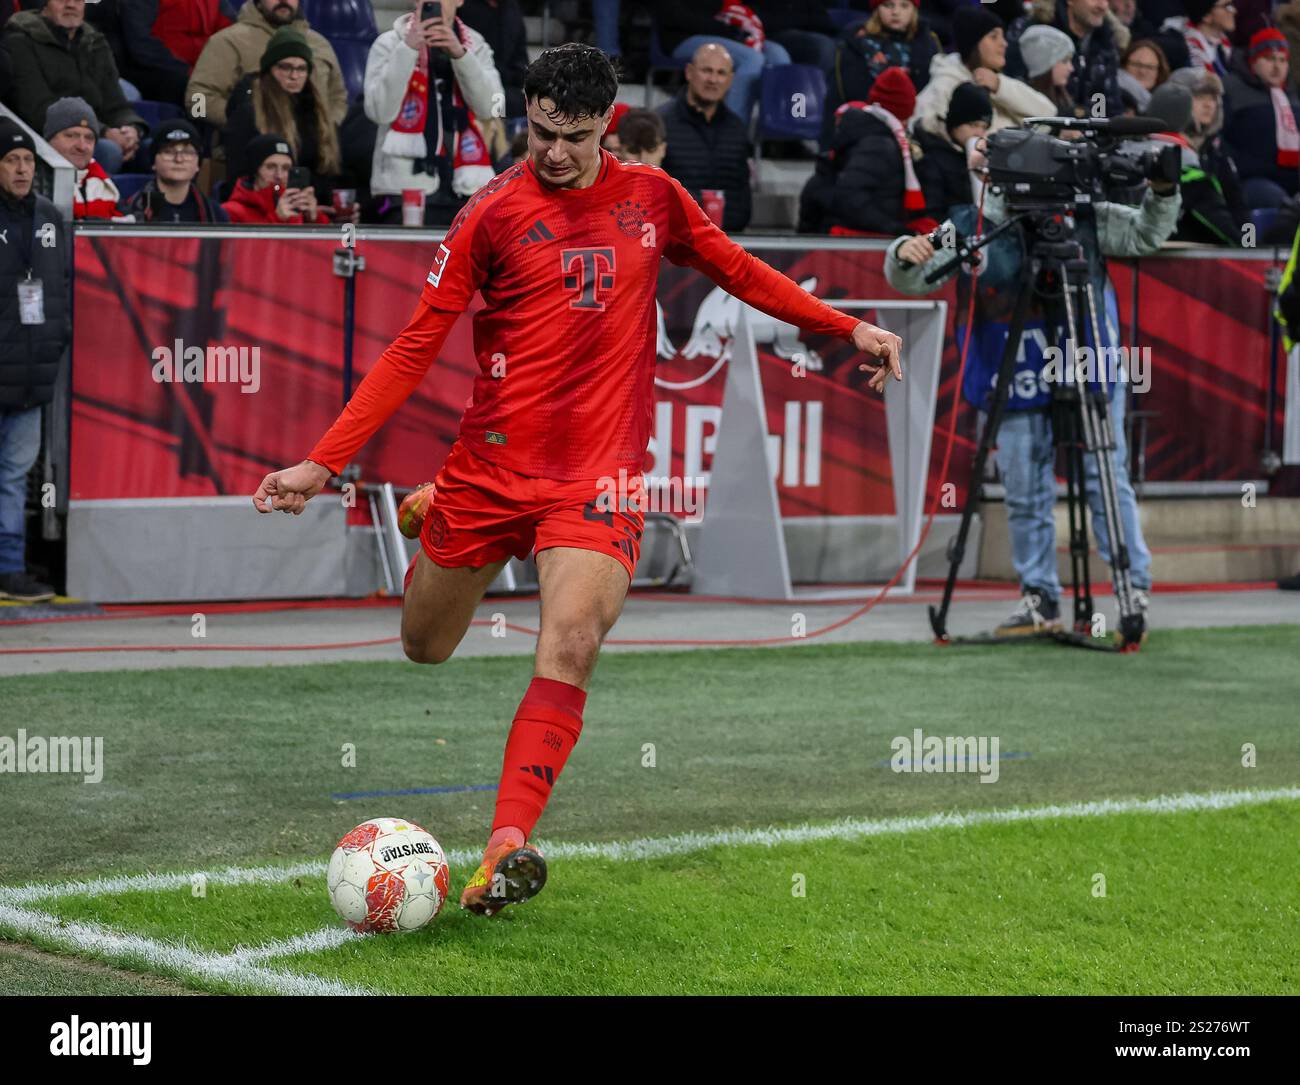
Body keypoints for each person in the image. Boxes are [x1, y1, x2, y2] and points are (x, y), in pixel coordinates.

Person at [252, 44, 903, 915]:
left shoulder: (652, 198)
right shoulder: (489, 213)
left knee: (572, 644)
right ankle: (434, 507)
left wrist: (843, 325)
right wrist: (323, 461)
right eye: (541, 130)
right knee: (424, 645)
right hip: (488, 469)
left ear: (608, 127)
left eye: (575, 136)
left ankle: (504, 847)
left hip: (601, 477)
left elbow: (738, 269)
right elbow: (414, 347)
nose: (553, 151)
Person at [884, 127, 1179, 635]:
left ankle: (1133, 589)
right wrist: (902, 251)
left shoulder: (1082, 215)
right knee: (1024, 487)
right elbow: (911, 278)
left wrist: (1164, 191)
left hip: (1085, 361)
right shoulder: (969, 224)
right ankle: (1039, 596)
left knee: (1104, 479)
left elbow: (1146, 235)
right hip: (1014, 371)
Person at [0, 118, 70, 604]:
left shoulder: (49, 216)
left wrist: (55, 341)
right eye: (11, 161)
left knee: (13, 478)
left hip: (30, 376)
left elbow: (61, 291)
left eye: (28, 161)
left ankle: (9, 569)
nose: (22, 169)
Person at [364, 0, 504, 227]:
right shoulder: (389, 44)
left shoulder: (475, 46)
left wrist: (461, 55)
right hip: (404, 190)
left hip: (465, 187)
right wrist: (408, 49)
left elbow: (492, 109)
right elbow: (379, 111)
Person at [3, 0, 146, 174]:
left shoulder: (95, 41)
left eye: (78, 0)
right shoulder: (19, 40)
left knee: (151, 148)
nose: (71, 5)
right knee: (108, 151)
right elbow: (37, 107)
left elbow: (115, 103)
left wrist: (130, 128)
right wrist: (102, 131)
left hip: (96, 132)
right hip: (49, 134)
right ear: (45, 4)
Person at [798, 67, 933, 235]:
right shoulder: (879, 145)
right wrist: (895, 230)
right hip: (859, 241)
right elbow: (850, 197)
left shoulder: (865, 131)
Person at [187, 0, 346, 130]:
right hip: (248, 156)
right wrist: (243, 122)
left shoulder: (320, 44)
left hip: (318, 157)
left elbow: (338, 97)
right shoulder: (227, 42)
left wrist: (328, 128)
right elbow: (195, 100)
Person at [913, 8, 1055, 141]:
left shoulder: (998, 82)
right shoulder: (946, 82)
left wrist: (1000, 87)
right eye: (994, 37)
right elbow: (921, 124)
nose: (1004, 43)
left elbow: (1049, 115)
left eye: (1002, 36)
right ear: (973, 44)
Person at [223, 28, 341, 186]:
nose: (294, 76)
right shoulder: (249, 111)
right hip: (264, 202)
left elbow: (325, 170)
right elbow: (198, 94)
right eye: (285, 67)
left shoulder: (315, 110)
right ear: (269, 69)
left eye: (301, 69)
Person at [658, 43, 754, 232]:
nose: (713, 80)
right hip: (675, 242)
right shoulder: (661, 122)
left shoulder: (737, 128)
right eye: (707, 71)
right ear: (689, 72)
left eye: (721, 73)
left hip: (728, 242)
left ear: (730, 80)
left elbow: (741, 189)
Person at [822, 0, 942, 146]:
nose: (896, 12)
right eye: (888, 5)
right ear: (876, 9)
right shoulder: (855, 42)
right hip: (866, 125)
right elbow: (843, 95)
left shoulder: (929, 42)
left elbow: (935, 92)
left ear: (914, 10)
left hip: (916, 127)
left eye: (904, 6)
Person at [654, 0, 794, 123]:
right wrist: (730, 31)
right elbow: (674, 15)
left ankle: (776, 133)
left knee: (778, 55)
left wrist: (747, 25)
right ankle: (732, 131)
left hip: (729, 33)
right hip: (684, 36)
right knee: (751, 59)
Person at [85, 0, 234, 105]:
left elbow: (231, 33)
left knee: (244, 85)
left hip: (204, 68)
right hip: (158, 69)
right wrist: (188, 71)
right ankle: (195, 137)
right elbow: (142, 45)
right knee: (194, 92)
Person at [1007, 0, 1126, 121]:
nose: (1103, 6)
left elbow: (1108, 103)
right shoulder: (1033, 33)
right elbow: (1016, 89)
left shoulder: (1106, 41)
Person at [1166, 67, 1248, 242]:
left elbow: (1239, 208)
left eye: (1213, 98)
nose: (1209, 104)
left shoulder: (1217, 151)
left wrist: (1250, 248)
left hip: (1217, 248)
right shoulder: (1164, 145)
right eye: (1199, 97)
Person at [1223, 28, 1300, 209]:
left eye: (1282, 60)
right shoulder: (1232, 88)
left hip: (1293, 178)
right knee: (1281, 205)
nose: (1277, 67)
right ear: (1253, 61)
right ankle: (1251, 239)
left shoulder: (1291, 95)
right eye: (1269, 58)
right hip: (1252, 179)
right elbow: (1220, 138)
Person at [122, 118, 230, 223]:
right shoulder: (131, 212)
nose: (179, 159)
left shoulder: (215, 214)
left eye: (188, 152)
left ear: (198, 164)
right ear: (154, 162)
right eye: (168, 152)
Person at [913, 81, 992, 223]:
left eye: (984, 127)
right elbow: (931, 215)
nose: (979, 133)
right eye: (973, 125)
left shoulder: (978, 157)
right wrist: (954, 241)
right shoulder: (931, 158)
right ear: (955, 124)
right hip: (949, 239)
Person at [220, 132, 330, 223]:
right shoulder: (230, 211)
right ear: (254, 171)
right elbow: (246, 249)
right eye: (271, 167)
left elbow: (329, 247)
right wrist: (277, 219)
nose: (279, 175)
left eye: (286, 168)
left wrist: (315, 219)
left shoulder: (295, 209)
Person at [43, 98, 124, 220]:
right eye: (71, 136)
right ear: (49, 140)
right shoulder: (35, 182)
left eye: (89, 138)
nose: (82, 146)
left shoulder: (107, 185)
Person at [459, 0, 529, 120]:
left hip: (507, 88)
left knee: (533, 104)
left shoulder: (512, 10)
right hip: (476, 88)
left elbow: (521, 59)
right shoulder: (464, 8)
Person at [1020, 23, 1079, 115]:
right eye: (1065, 61)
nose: (1071, 68)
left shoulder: (1064, 99)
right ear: (1044, 63)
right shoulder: (1025, 103)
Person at [1181, 0, 1234, 75]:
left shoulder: (1224, 44)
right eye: (1227, 6)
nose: (1234, 11)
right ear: (1206, 16)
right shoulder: (1188, 49)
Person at [1118, 38, 1170, 112]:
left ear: (1159, 72)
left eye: (1150, 67)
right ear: (1124, 65)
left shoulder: (1165, 106)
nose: (1142, 71)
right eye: (1136, 64)